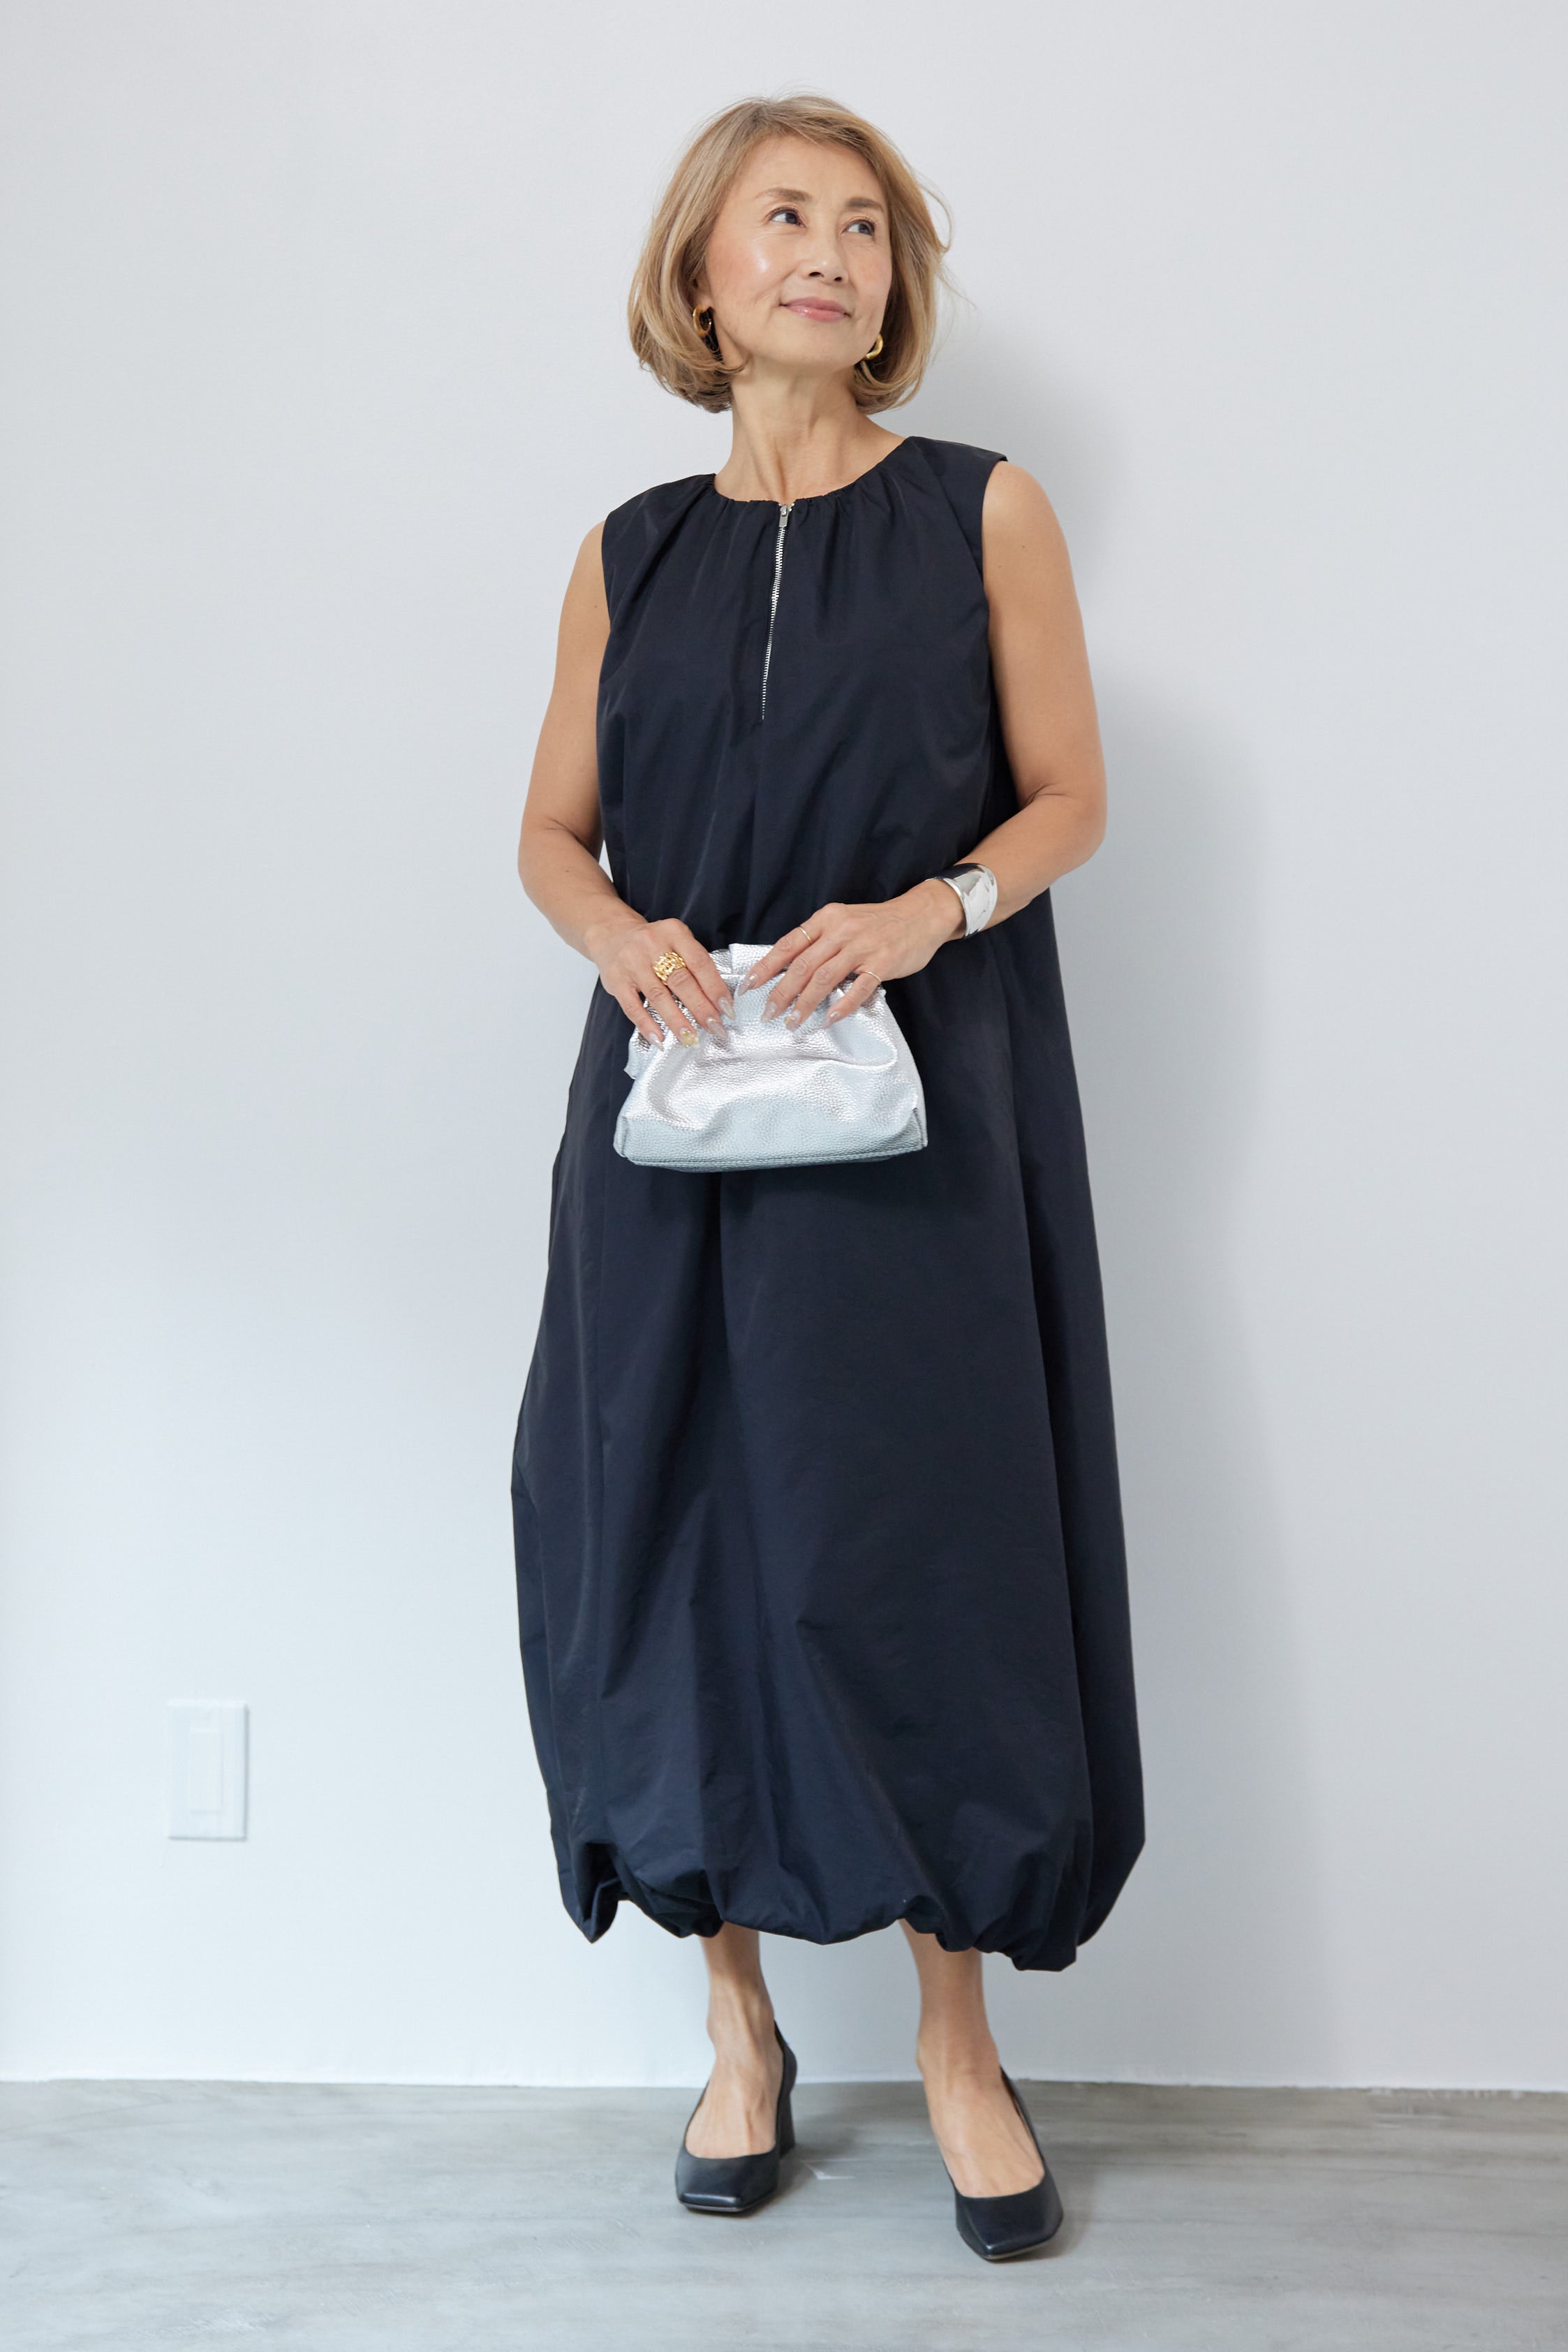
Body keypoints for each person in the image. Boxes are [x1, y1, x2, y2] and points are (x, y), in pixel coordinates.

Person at [511, 93, 1143, 2261]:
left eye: (865, 227)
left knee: (923, 1547)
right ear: (702, 271)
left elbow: (1068, 799)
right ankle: (741, 2028)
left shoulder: (985, 511)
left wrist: (932, 910)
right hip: (673, 1121)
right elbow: (550, 834)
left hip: (922, 1113)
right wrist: (620, 937)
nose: (832, 254)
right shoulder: (630, 550)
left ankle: (960, 2044)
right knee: (672, 1533)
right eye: (786, 216)